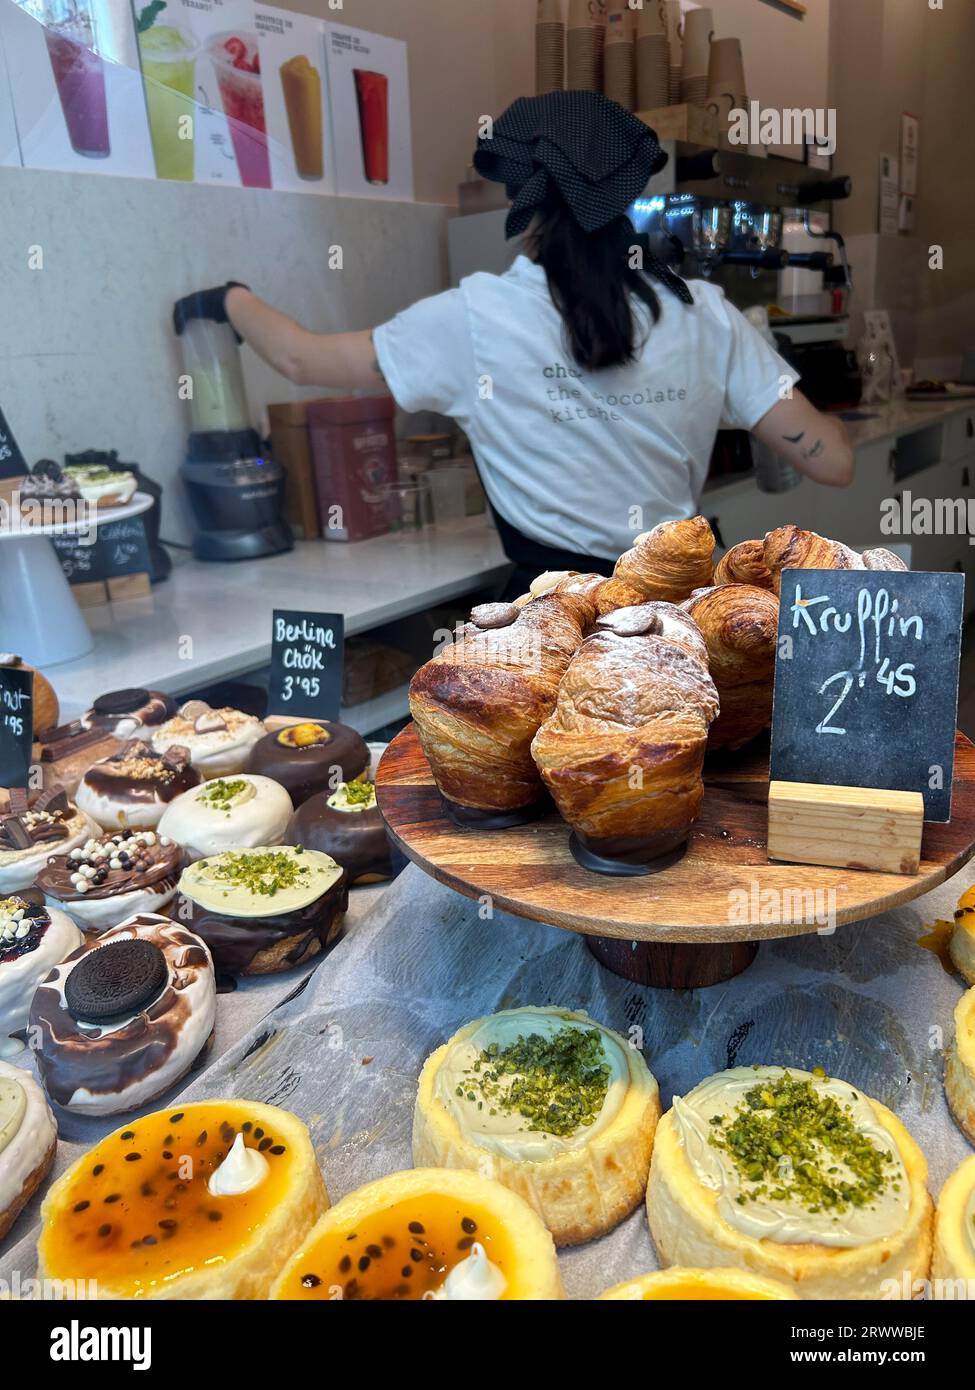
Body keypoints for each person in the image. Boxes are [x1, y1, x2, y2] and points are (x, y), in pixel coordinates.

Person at [194, 92, 854, 595]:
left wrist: (229, 299)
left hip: (555, 620)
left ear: (518, 198)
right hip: (682, 608)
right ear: (626, 191)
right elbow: (832, 462)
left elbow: (298, 358)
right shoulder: (703, 310)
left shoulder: (475, 319)